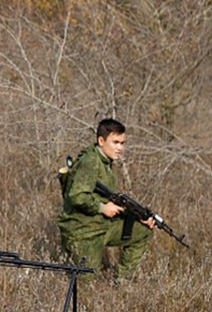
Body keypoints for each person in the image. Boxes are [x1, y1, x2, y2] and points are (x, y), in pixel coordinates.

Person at [57, 118, 155, 280]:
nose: (120, 148)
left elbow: (107, 200)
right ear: (101, 141)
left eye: (122, 143)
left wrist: (138, 217)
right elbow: (77, 196)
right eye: (115, 142)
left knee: (143, 231)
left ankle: (123, 282)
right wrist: (102, 208)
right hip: (83, 231)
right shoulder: (90, 162)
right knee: (86, 283)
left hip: (101, 225)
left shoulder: (106, 162)